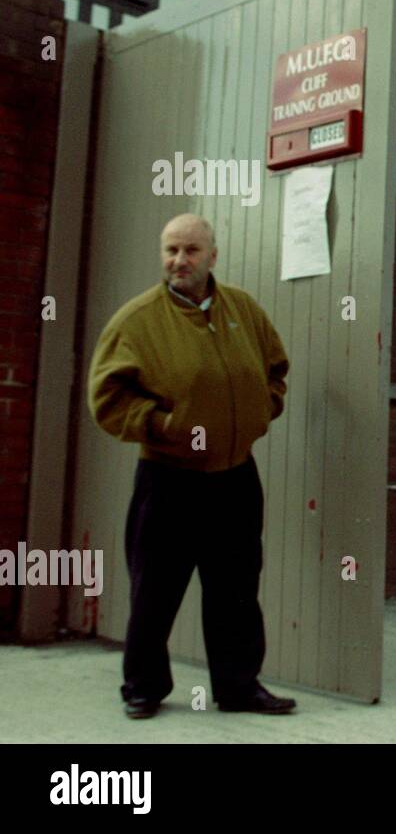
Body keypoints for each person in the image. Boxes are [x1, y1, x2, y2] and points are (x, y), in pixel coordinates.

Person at [88, 212, 296, 719]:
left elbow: (275, 369)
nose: (179, 261)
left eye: (191, 251)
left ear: (213, 256)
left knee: (236, 591)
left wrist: (258, 413)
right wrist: (164, 427)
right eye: (171, 251)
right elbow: (108, 397)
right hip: (169, 478)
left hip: (235, 476)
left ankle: (238, 687)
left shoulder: (243, 310)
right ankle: (143, 687)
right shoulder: (137, 320)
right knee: (155, 588)